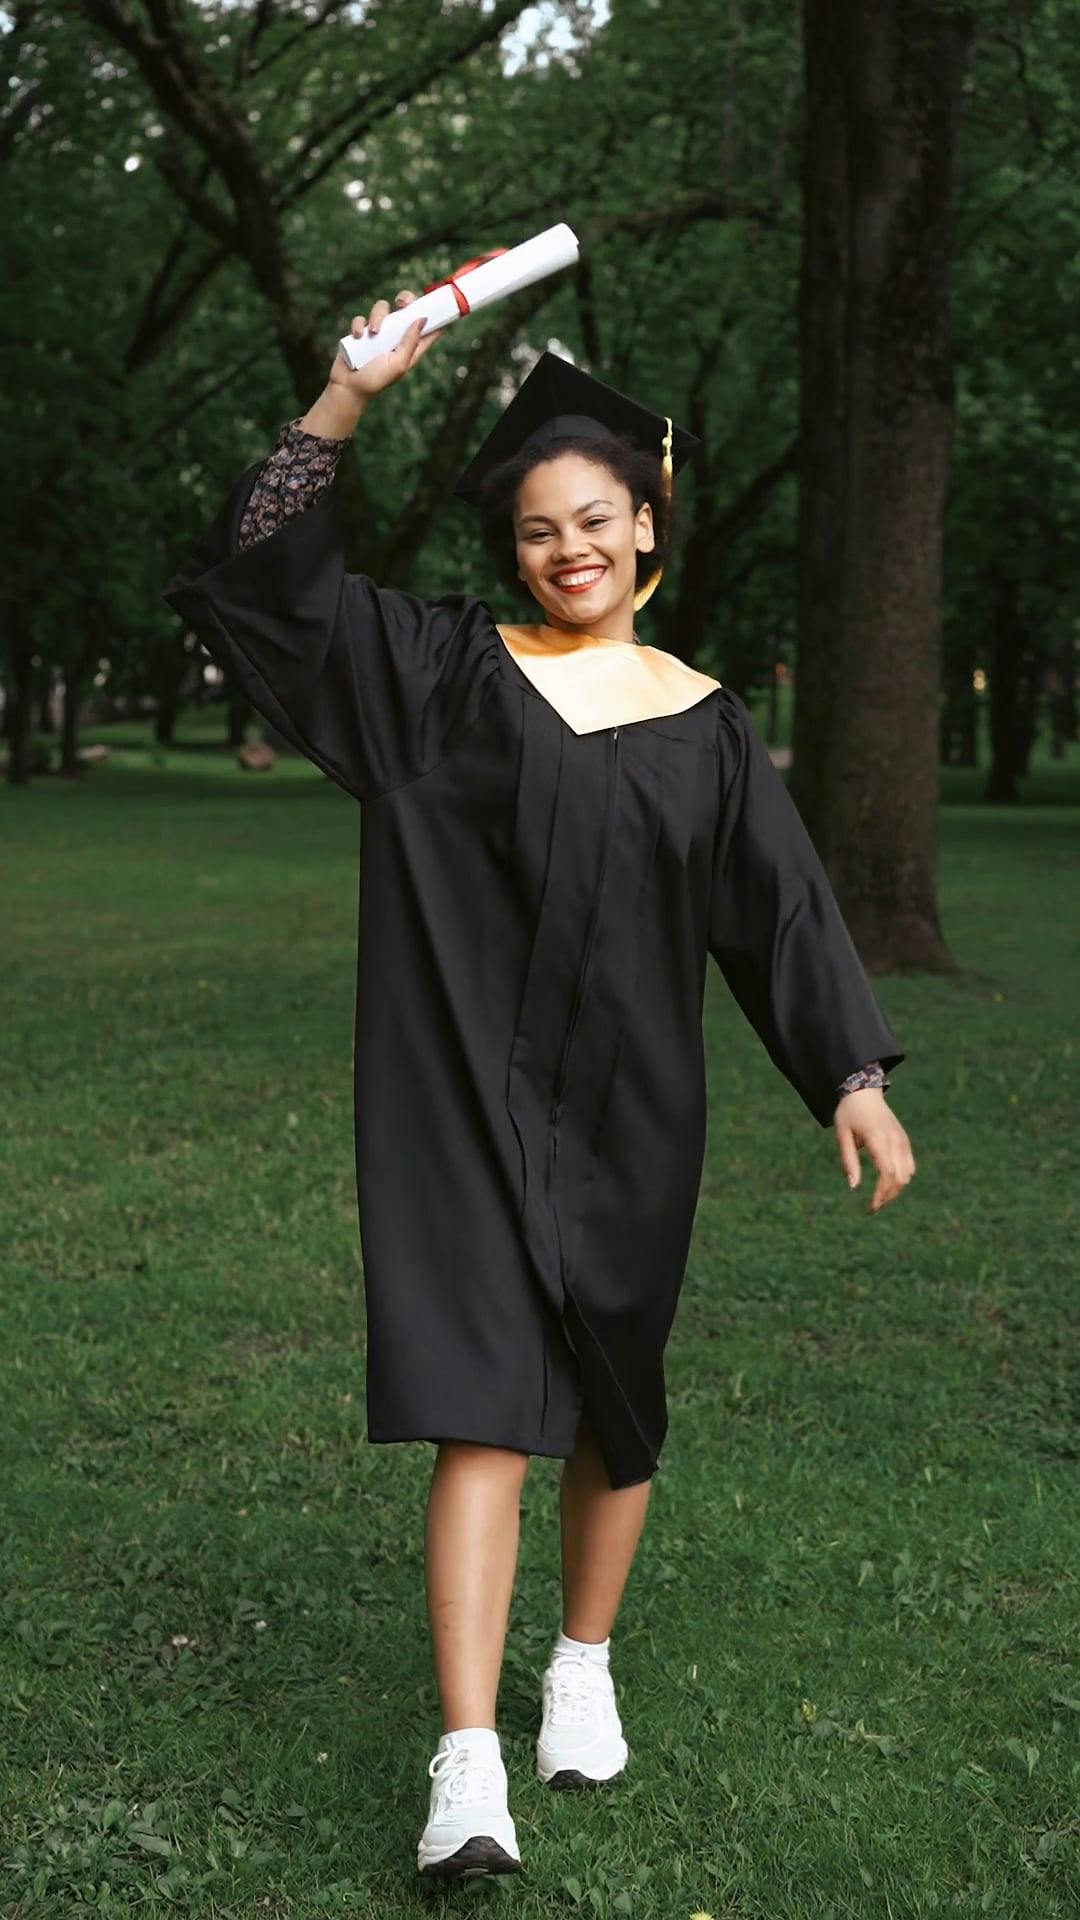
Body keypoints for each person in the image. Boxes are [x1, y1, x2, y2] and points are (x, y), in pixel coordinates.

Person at [163, 291, 915, 1883]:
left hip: (636, 1113)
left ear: (647, 528)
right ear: (511, 551)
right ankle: (466, 1768)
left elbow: (777, 912)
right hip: (460, 1106)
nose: (566, 547)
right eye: (534, 528)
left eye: (594, 520)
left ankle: (581, 1662)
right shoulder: (441, 674)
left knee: (616, 1413)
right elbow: (268, 582)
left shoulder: (709, 728)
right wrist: (344, 396)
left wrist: (848, 1071)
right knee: (482, 1418)